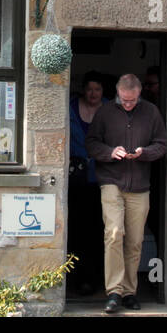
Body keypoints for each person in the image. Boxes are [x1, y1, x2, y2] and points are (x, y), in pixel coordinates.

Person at [85, 73, 167, 313]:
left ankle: (130, 291)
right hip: (111, 180)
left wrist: (145, 152)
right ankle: (114, 292)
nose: (128, 104)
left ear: (139, 94)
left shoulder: (151, 112)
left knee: (135, 241)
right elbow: (91, 143)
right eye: (124, 100)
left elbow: (162, 144)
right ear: (118, 94)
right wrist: (111, 152)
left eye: (132, 100)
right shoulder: (105, 112)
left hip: (140, 185)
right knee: (113, 233)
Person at [68, 71, 106, 295]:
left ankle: (94, 279)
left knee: (97, 231)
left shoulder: (111, 110)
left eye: (98, 89)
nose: (93, 93)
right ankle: (74, 279)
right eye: (90, 89)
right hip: (75, 178)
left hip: (103, 179)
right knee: (75, 229)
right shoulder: (70, 106)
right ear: (83, 89)